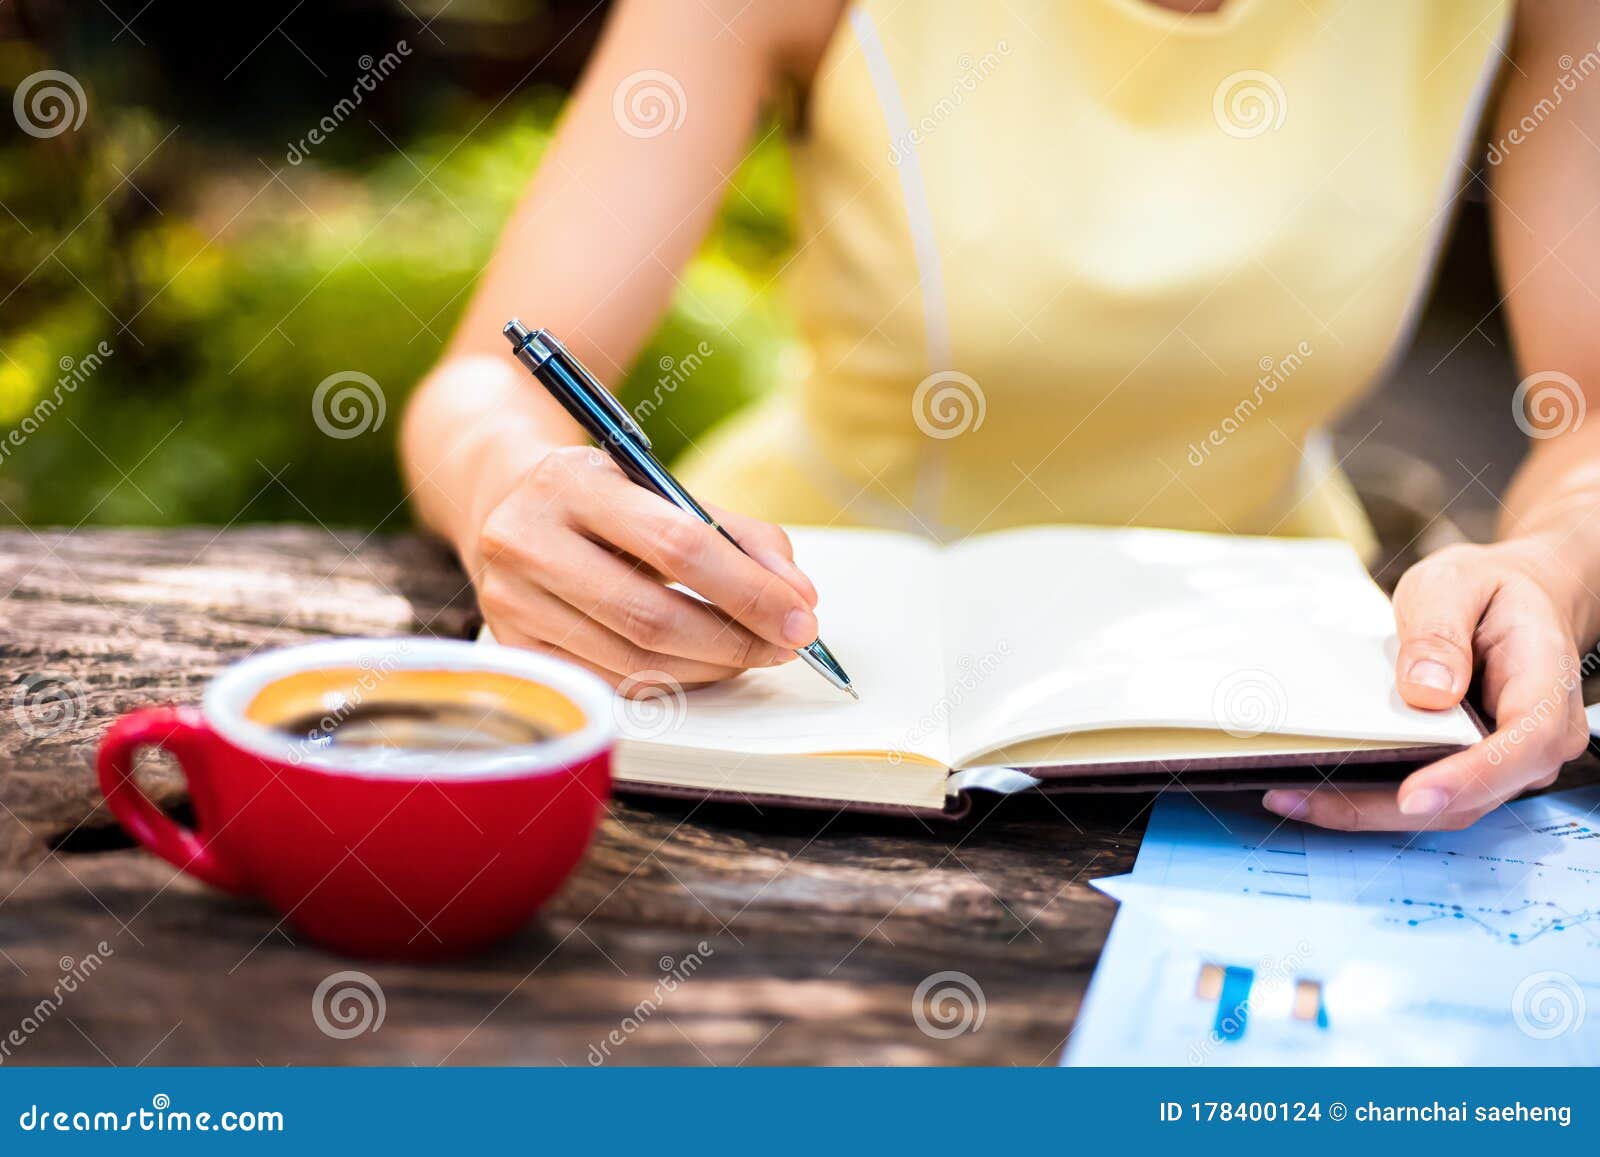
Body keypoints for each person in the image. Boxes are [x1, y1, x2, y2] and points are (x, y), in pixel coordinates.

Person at [401, 0, 1598, 832]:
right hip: (784, 668)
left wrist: (1547, 566)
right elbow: (493, 377)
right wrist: (513, 483)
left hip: (1265, 697)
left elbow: (1585, 412)